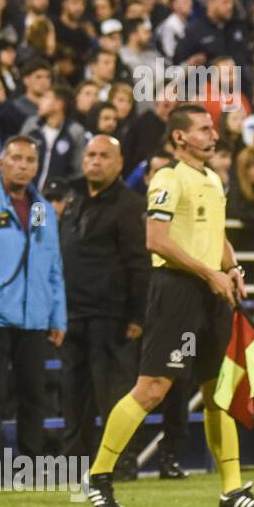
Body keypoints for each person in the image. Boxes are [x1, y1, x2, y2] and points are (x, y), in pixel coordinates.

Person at [86, 104, 254, 507]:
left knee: (217, 393)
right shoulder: (168, 179)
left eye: (212, 128)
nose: (214, 135)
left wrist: (232, 267)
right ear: (179, 137)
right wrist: (210, 274)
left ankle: (233, 489)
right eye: (204, 129)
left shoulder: (211, 178)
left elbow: (216, 233)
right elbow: (156, 240)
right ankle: (99, 477)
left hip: (212, 291)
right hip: (177, 292)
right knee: (153, 388)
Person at [0, 136, 67, 462]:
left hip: (34, 316)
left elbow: (53, 265)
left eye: (30, 160)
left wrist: (58, 316)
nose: (22, 166)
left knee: (34, 394)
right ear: (2, 162)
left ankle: (31, 464)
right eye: (16, 158)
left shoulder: (42, 209)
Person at [58, 135, 150, 472]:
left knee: (113, 395)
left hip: (112, 317)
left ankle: (120, 464)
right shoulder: (73, 199)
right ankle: (73, 464)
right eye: (91, 155)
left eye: (104, 156)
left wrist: (137, 316)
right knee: (73, 395)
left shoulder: (131, 205)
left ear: (119, 163)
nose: (95, 161)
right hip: (72, 315)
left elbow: (140, 265)